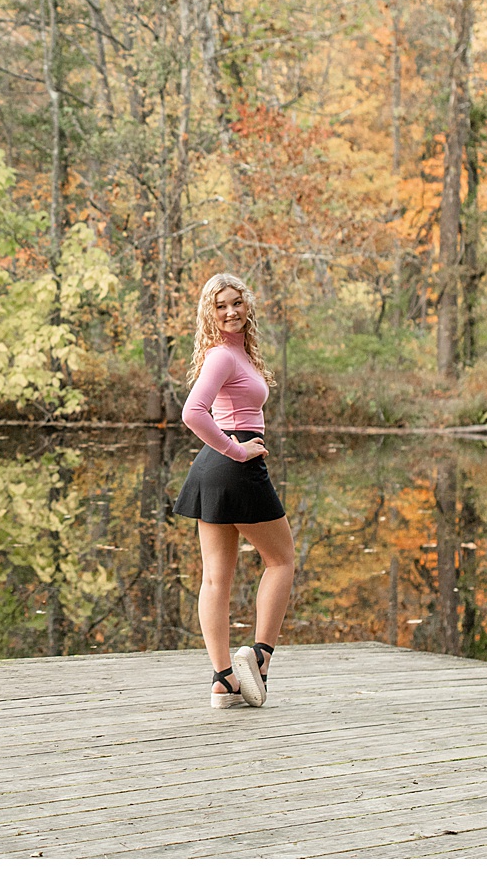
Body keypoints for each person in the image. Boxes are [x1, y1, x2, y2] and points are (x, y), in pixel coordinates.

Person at [172, 272, 295, 708]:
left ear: (247, 306)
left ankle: (223, 680)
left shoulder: (233, 354)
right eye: (221, 305)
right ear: (210, 310)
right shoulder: (222, 356)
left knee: (216, 578)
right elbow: (193, 411)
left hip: (212, 467)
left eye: (236, 303)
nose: (231, 312)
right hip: (233, 463)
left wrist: (228, 451)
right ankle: (259, 659)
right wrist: (237, 452)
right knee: (281, 560)